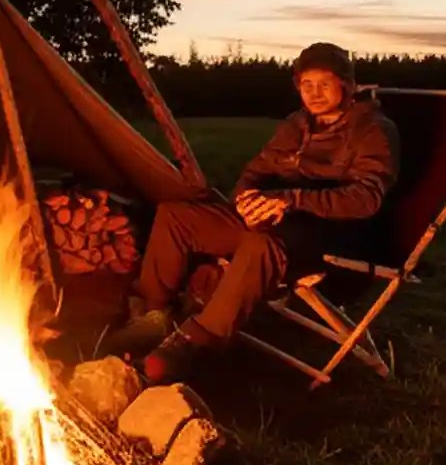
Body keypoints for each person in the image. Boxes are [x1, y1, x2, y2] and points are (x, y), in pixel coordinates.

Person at [103, 42, 400, 384]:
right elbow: (255, 171)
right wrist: (242, 201)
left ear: (346, 86)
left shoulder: (373, 130)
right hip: (270, 214)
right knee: (176, 217)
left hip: (325, 231)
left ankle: (190, 344)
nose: (314, 93)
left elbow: (366, 199)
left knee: (261, 246)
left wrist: (290, 199)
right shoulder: (297, 125)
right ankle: (149, 317)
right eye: (307, 85)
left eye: (325, 84)